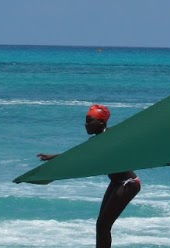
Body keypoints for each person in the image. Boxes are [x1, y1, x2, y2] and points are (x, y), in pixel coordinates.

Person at [38, 103, 140, 248]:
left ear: (101, 122)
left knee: (103, 225)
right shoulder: (95, 141)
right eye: (86, 121)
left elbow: (133, 141)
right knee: (101, 224)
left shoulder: (112, 135)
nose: (86, 124)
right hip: (117, 182)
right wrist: (53, 157)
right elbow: (77, 154)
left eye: (90, 121)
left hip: (128, 183)